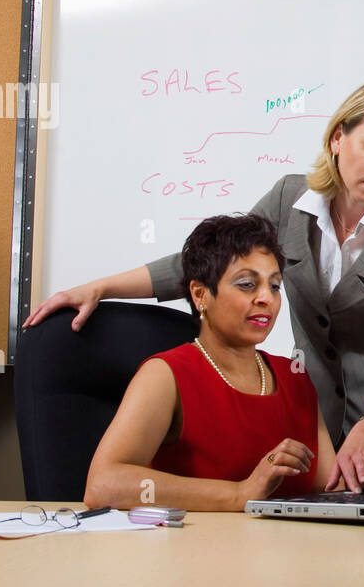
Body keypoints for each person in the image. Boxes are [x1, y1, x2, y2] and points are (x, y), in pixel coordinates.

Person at [27, 79, 364, 494]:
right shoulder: (290, 199)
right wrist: (102, 287)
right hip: (324, 439)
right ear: (338, 138)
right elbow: (213, 262)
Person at [83, 214, 337, 512]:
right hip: (192, 553)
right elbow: (102, 485)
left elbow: (328, 488)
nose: (266, 298)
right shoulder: (166, 375)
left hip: (288, 554)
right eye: (246, 284)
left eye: (275, 285)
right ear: (200, 294)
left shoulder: (296, 378)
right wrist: (240, 494)